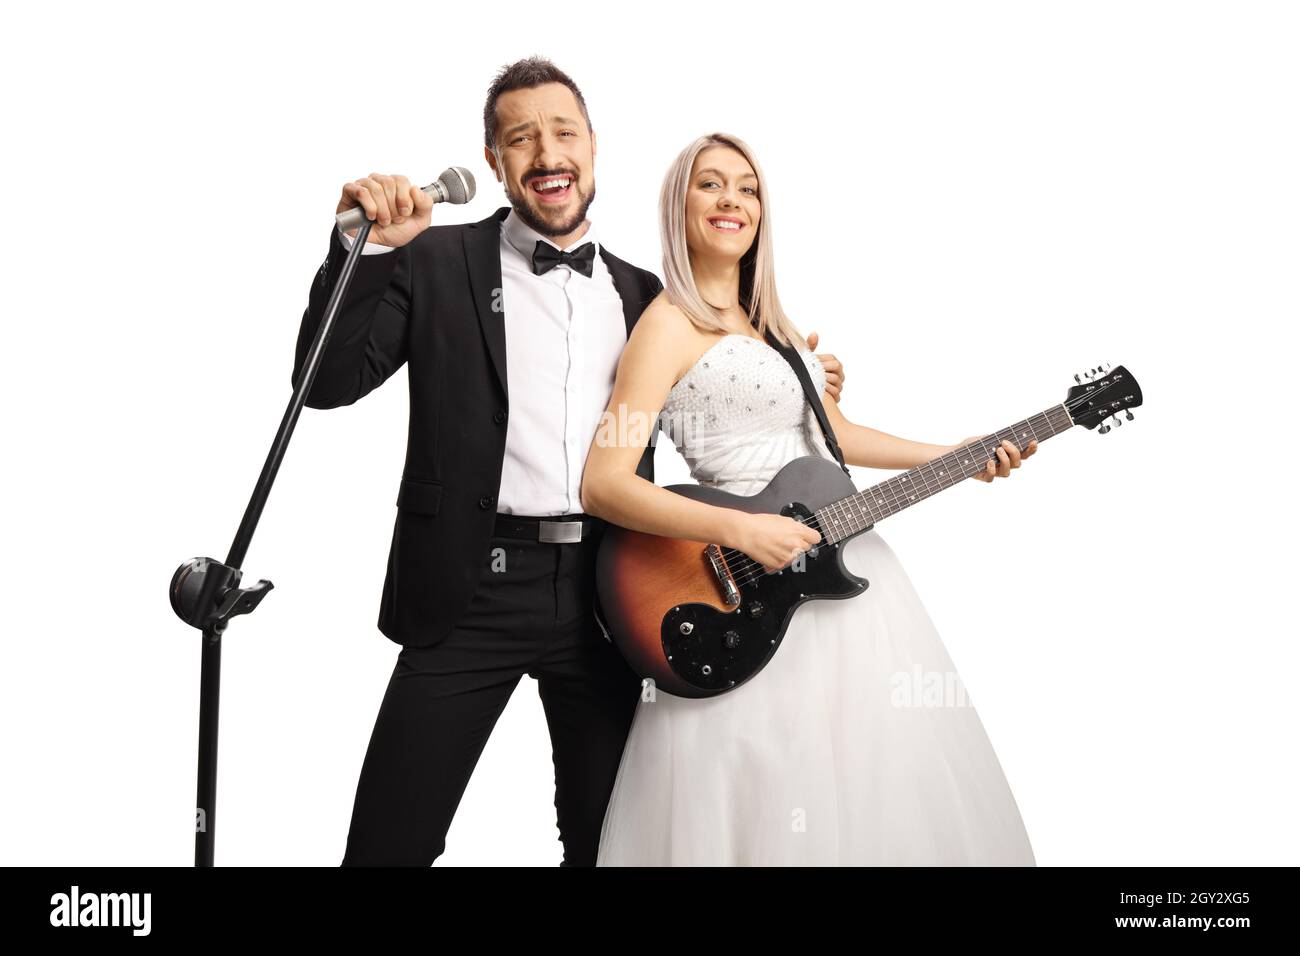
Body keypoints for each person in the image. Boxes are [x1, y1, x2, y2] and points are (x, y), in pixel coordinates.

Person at [293, 61, 846, 865]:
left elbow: (719, 429)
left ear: (593, 148)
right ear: (494, 163)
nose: (546, 152)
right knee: (389, 843)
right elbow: (327, 383)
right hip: (464, 587)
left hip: (613, 588)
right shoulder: (434, 260)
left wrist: (803, 388)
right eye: (521, 138)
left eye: (563, 132)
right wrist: (362, 253)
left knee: (609, 842)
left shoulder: (647, 293)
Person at [580, 133, 1038, 865]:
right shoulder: (666, 324)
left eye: (748, 188)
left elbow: (835, 438)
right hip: (741, 585)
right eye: (710, 185)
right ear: (679, 206)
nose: (732, 200)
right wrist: (741, 531)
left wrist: (963, 455)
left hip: (845, 574)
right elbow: (604, 483)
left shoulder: (780, 330)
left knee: (872, 784)